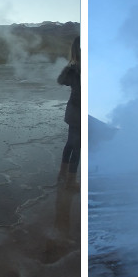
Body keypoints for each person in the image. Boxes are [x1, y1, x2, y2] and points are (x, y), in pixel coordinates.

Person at [56, 36, 81, 187]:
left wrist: (70, 66)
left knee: (71, 144)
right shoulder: (78, 69)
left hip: (73, 111)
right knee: (77, 147)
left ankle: (62, 174)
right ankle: (71, 181)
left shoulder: (74, 68)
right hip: (78, 113)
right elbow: (61, 81)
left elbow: (61, 80)